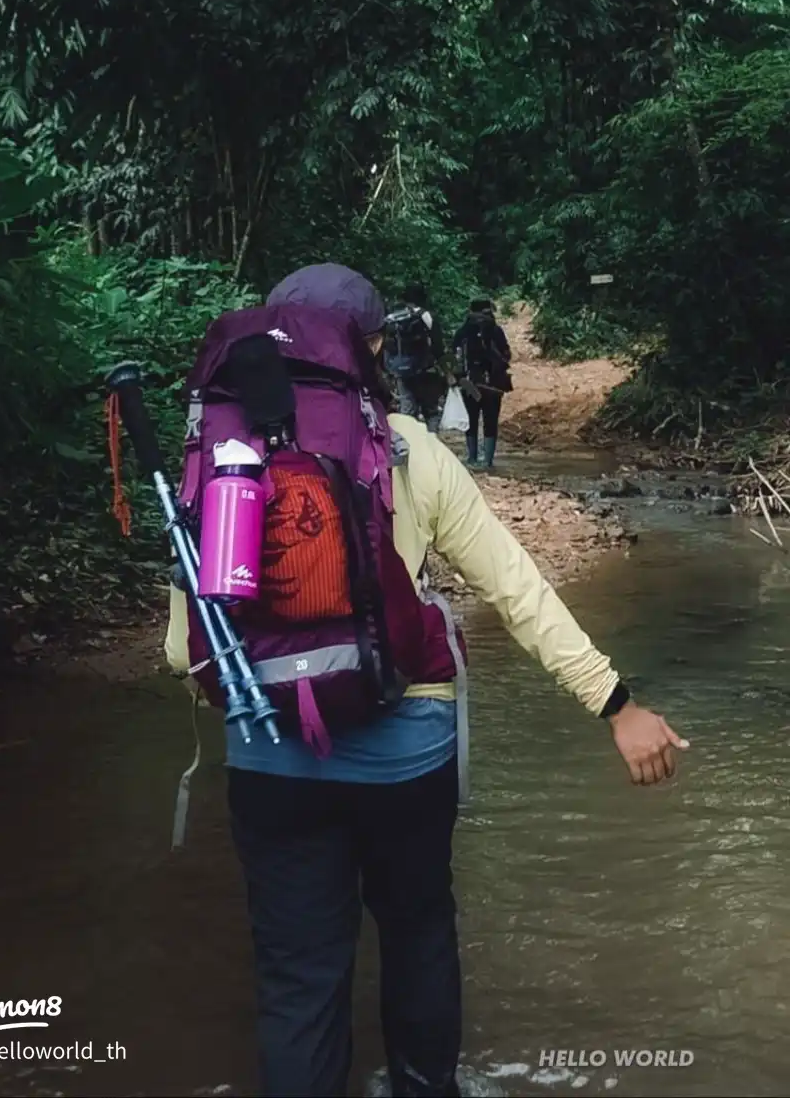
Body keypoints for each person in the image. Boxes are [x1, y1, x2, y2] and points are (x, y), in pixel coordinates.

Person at [164, 265, 689, 1098]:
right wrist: (615, 703)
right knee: (415, 934)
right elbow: (515, 589)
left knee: (299, 976)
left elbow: (180, 649)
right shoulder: (406, 446)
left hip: (270, 757)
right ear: (369, 347)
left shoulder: (222, 451)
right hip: (403, 752)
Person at [452, 299, 512, 469]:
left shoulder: (463, 331)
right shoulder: (496, 330)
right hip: (493, 383)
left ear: (470, 310)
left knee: (470, 419)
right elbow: (506, 354)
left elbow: (454, 356)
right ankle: (488, 461)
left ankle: (471, 458)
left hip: (469, 382)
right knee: (491, 420)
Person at [383, 282, 448, 432]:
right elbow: (438, 346)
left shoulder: (393, 317)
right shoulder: (425, 316)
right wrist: (445, 369)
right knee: (431, 411)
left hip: (401, 372)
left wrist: (388, 370)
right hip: (426, 371)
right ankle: (431, 448)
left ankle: (409, 450)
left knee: (407, 412)